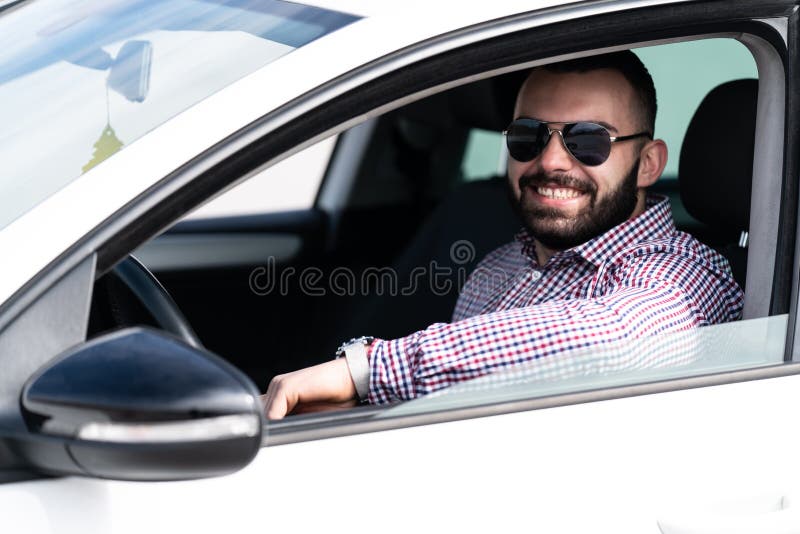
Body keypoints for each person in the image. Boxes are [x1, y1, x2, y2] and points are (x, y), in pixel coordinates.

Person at [261, 51, 743, 419]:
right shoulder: (496, 268)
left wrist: (367, 370)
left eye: (588, 140)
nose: (551, 161)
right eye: (528, 137)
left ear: (648, 163)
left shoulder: (687, 273)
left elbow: (615, 338)